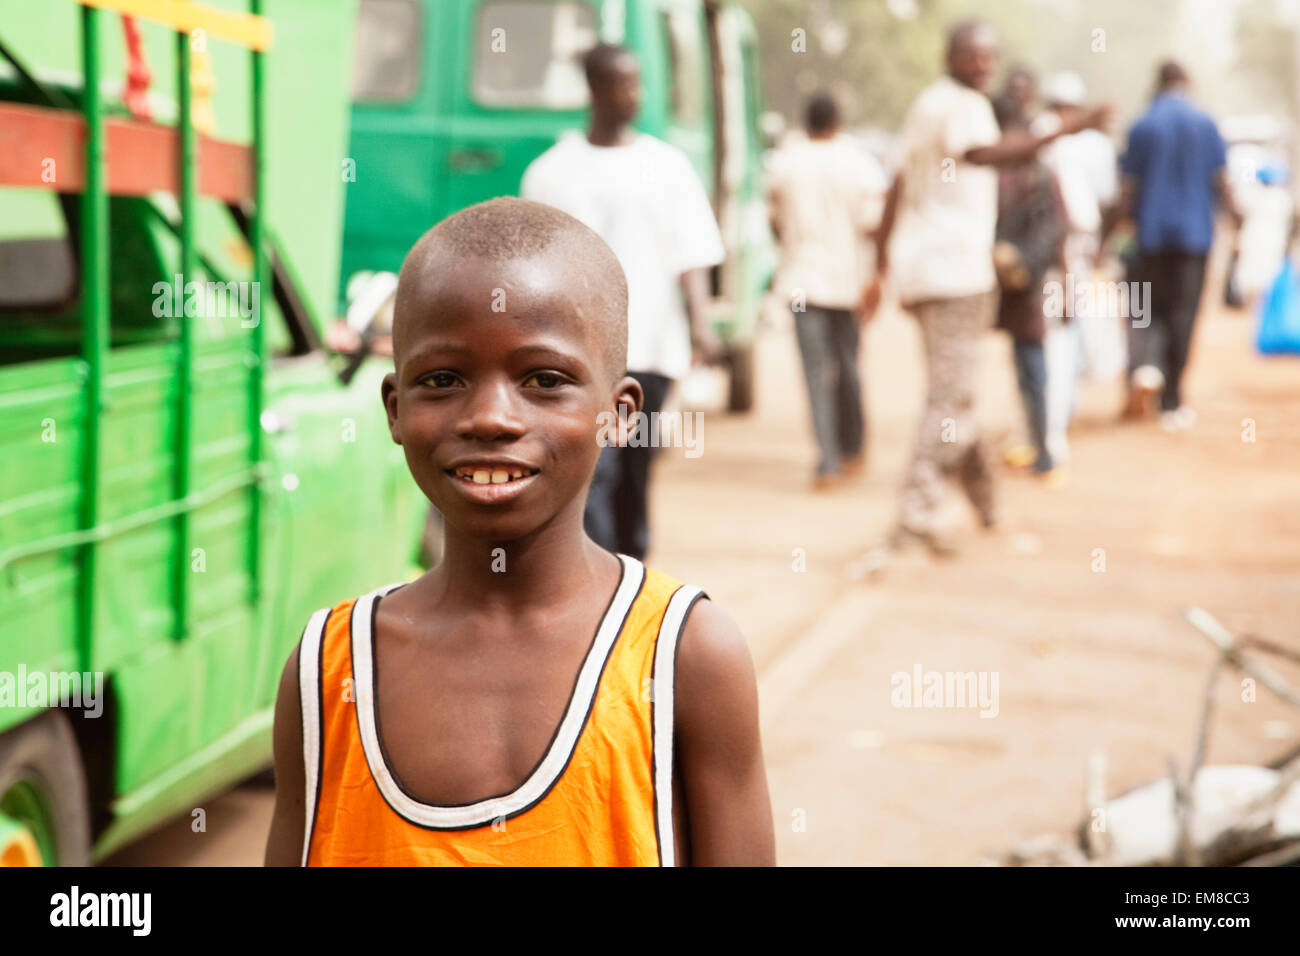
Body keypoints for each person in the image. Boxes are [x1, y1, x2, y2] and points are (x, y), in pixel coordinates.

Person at [264, 197, 775, 866]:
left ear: (618, 414)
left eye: (544, 379)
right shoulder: (329, 670)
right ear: (395, 408)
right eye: (443, 379)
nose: (491, 418)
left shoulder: (686, 658)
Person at [870, 20, 1107, 555]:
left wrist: (882, 260)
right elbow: (981, 154)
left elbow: (898, 184)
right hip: (953, 272)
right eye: (975, 57)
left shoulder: (928, 102)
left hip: (934, 270)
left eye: (989, 57)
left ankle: (986, 501)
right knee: (950, 398)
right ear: (950, 55)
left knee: (959, 392)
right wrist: (1064, 131)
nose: (984, 66)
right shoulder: (959, 107)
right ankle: (918, 509)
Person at [521, 43, 725, 560]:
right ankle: (600, 576)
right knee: (595, 469)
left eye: (637, 83)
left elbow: (692, 255)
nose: (634, 95)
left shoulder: (667, 167)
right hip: (578, 355)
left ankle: (632, 568)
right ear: (595, 89)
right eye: (623, 84)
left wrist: (702, 327)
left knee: (638, 465)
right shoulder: (551, 173)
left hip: (653, 348)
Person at [766, 92, 886, 489]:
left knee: (814, 370)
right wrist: (877, 276)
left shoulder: (786, 162)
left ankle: (827, 460)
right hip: (847, 281)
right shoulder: (859, 163)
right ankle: (855, 447)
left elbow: (775, 218)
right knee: (848, 364)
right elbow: (873, 224)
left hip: (802, 283)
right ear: (839, 121)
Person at [1118, 60, 1241, 431]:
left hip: (1150, 236)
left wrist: (1119, 232)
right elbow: (1221, 181)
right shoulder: (1205, 124)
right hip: (1194, 237)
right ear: (1187, 84)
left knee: (1146, 309)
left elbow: (1129, 188)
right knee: (1183, 313)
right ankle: (1172, 399)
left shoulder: (1142, 124)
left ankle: (1147, 368)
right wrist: (1239, 222)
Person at [1034, 72, 1122, 467]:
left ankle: (1051, 430)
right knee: (1064, 334)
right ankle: (1055, 425)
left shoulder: (1044, 136)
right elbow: (1105, 202)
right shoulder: (1081, 142)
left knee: (1058, 336)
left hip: (1061, 248)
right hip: (1069, 246)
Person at [991, 92, 1069, 484]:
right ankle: (1041, 452)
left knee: (973, 373)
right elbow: (1060, 232)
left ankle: (1036, 451)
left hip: (991, 286)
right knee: (1033, 370)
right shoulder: (1037, 170)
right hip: (1023, 288)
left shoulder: (987, 167)